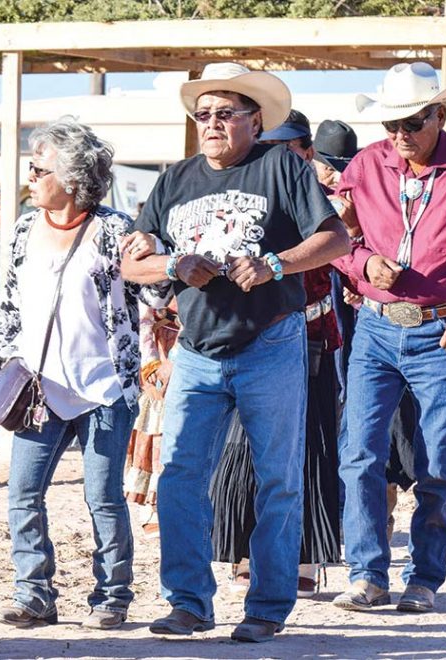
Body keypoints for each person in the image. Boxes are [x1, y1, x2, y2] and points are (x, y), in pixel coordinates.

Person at [121, 62, 349, 643]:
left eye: (226, 114)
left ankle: (268, 606)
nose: (213, 123)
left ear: (254, 120)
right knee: (178, 476)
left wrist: (275, 263)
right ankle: (189, 602)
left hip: (270, 339)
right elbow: (133, 259)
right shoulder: (174, 180)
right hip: (196, 347)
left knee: (277, 478)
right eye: (204, 114)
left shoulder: (282, 168)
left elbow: (336, 239)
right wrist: (174, 264)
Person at [330, 61, 446, 614]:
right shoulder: (366, 166)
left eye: (412, 122)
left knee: (438, 461)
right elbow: (336, 234)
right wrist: (363, 265)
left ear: (439, 114)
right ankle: (367, 574)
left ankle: (424, 577)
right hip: (377, 328)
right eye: (391, 125)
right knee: (359, 454)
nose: (400, 136)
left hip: (445, 330)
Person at [0, 117, 149, 632]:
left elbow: (152, 298)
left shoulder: (116, 230)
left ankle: (112, 596)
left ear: (72, 179)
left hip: (103, 390)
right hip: (38, 390)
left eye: (39, 170)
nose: (29, 178)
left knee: (103, 497)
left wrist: (153, 257)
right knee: (22, 493)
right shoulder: (26, 230)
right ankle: (33, 594)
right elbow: (9, 308)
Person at [210, 110, 343, 598]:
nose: (278, 157)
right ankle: (246, 550)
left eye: (288, 148)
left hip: (312, 336)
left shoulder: (326, 205)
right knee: (245, 451)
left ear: (306, 152)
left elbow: (346, 254)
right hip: (249, 338)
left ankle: (305, 555)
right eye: (268, 146)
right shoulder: (243, 197)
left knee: (308, 449)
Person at [123, 301, 180, 539]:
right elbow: (142, 315)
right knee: (152, 425)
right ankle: (151, 504)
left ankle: (174, 504)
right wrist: (150, 362)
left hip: (189, 340)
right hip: (152, 343)